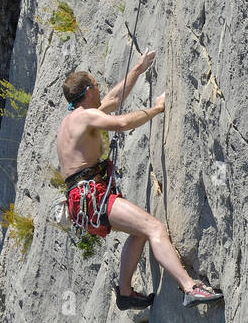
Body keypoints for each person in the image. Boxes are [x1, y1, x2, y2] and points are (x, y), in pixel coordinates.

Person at [55, 53, 222, 309]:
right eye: (97, 86)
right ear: (88, 91)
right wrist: (157, 109)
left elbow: (113, 98)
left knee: (139, 232)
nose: (100, 91)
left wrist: (137, 69)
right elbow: (121, 123)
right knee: (154, 228)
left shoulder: (72, 120)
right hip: (91, 194)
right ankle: (191, 287)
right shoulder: (85, 117)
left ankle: (124, 293)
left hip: (81, 200)